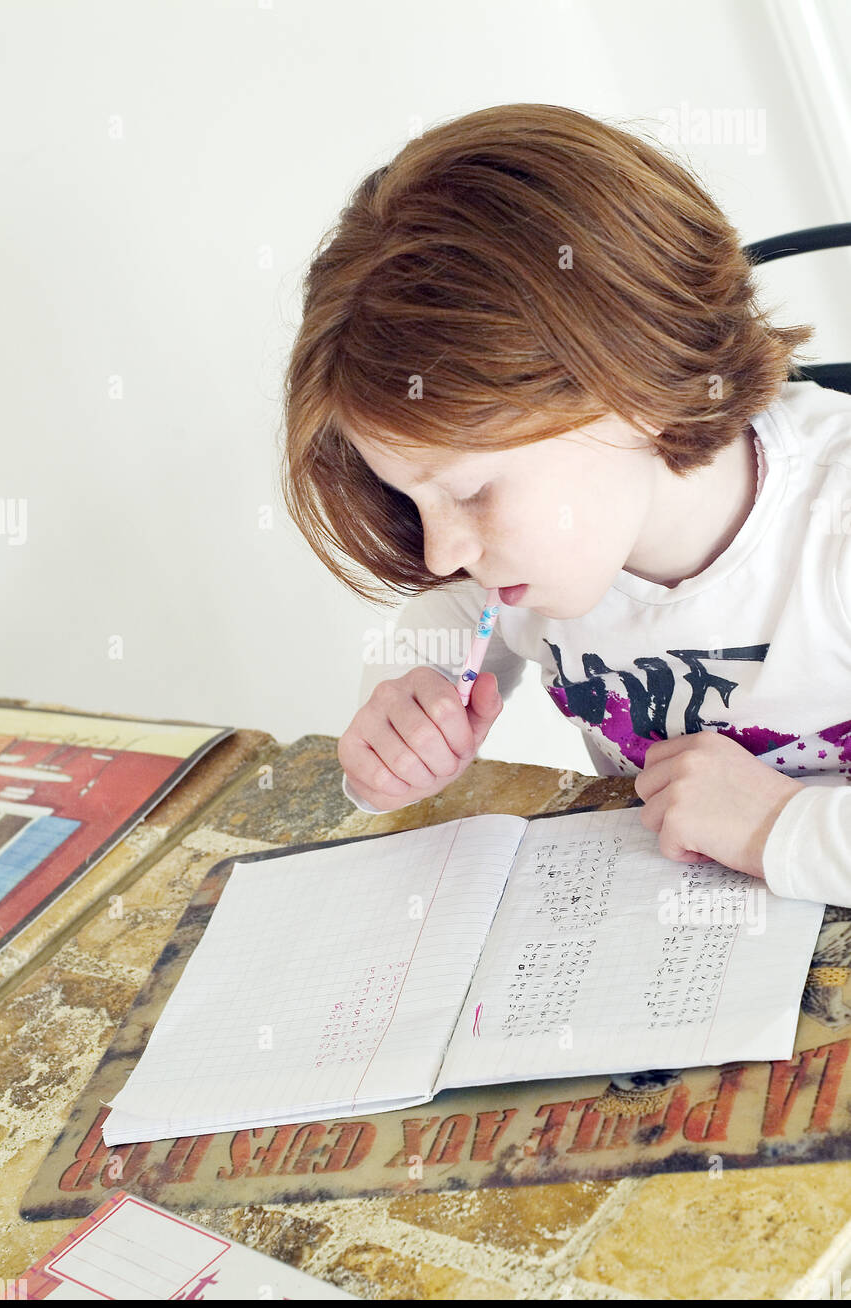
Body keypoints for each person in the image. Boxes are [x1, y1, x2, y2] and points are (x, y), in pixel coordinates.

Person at [282, 103, 851, 908]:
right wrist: (402, 732)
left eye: (472, 492)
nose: (441, 551)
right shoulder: (508, 560)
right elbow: (439, 627)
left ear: (633, 385)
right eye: (409, 497)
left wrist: (777, 830)